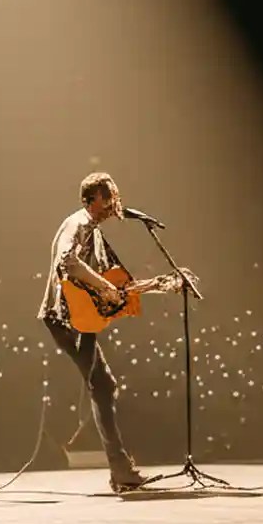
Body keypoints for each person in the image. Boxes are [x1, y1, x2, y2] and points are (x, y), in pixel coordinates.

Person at [37, 172, 161, 492]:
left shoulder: (94, 234)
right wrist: (104, 285)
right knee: (101, 385)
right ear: (90, 200)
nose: (113, 204)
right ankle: (112, 466)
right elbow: (68, 261)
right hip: (65, 317)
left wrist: (158, 285)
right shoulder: (77, 224)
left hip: (80, 318)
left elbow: (112, 288)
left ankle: (118, 468)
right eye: (108, 198)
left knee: (103, 385)